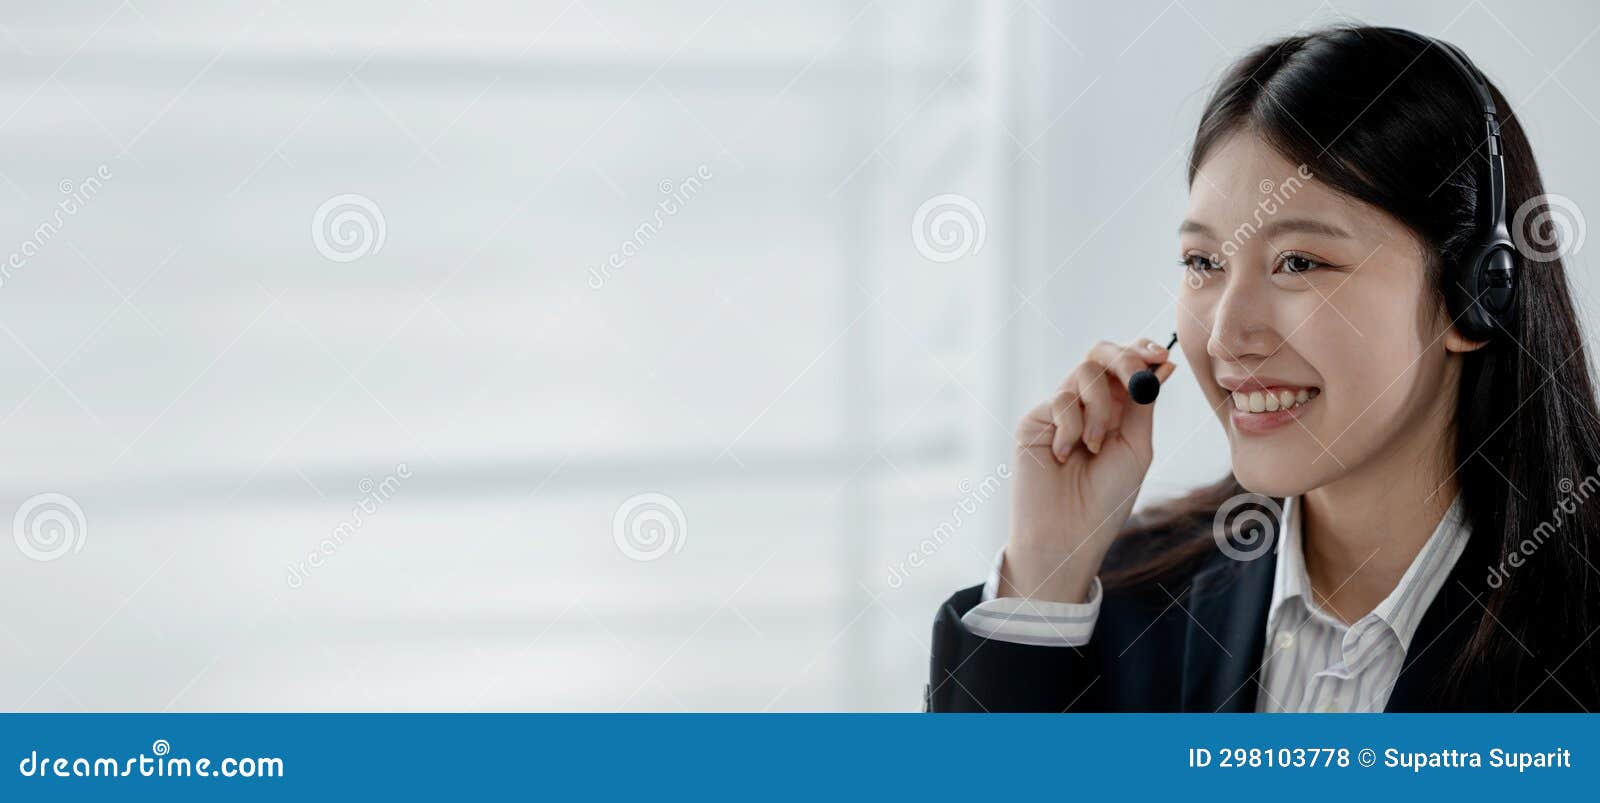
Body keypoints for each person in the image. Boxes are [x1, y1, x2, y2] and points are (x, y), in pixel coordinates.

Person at [927, 24, 1600, 712]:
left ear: (1476, 294)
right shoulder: (1118, 608)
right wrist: (1044, 579)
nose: (1226, 336)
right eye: (1204, 262)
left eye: (1299, 263)